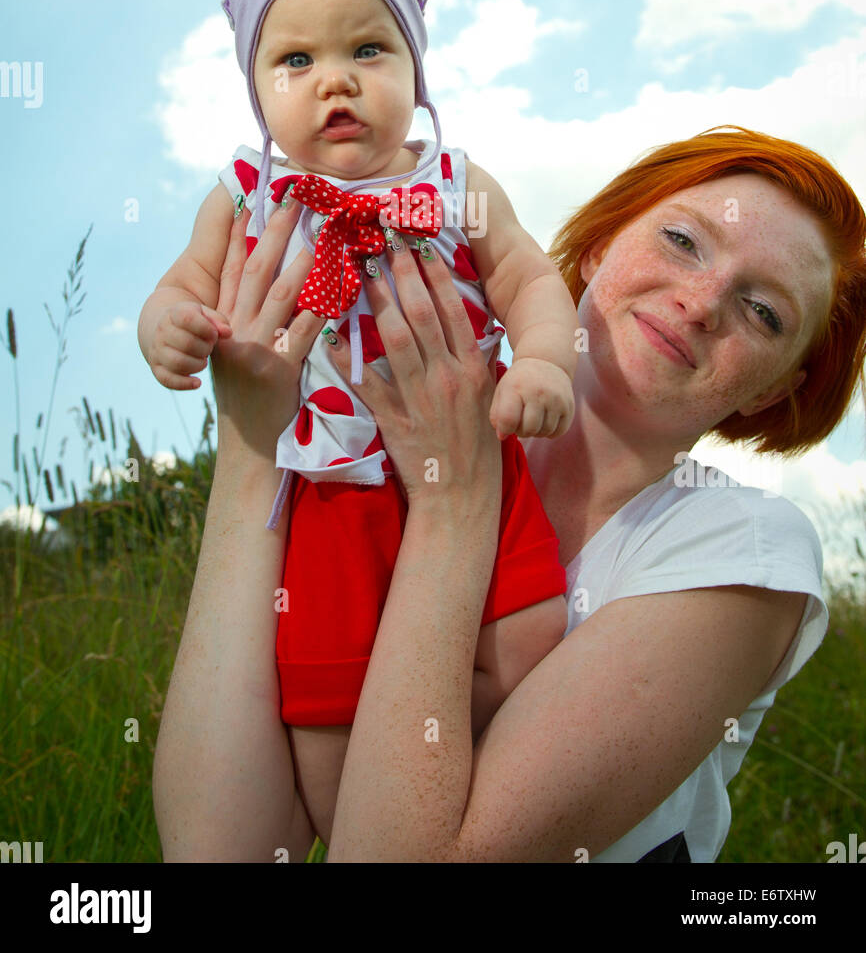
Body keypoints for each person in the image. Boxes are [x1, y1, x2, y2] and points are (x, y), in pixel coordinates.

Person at [152, 123, 866, 862]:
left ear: (775, 389)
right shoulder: (364, 454)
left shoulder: (743, 547)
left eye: (765, 312)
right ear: (599, 247)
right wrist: (249, 447)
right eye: (684, 241)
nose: (703, 301)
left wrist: (452, 508)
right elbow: (216, 850)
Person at [139, 0, 580, 841]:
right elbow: (184, 281)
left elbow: (528, 275)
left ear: (418, 72)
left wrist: (541, 358)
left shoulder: (454, 182)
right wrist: (170, 325)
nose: (335, 79)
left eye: (370, 50)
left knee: (530, 637)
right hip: (329, 483)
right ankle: (366, 820)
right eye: (295, 62)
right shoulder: (251, 193)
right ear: (258, 93)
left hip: (472, 461)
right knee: (328, 699)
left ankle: (459, 784)